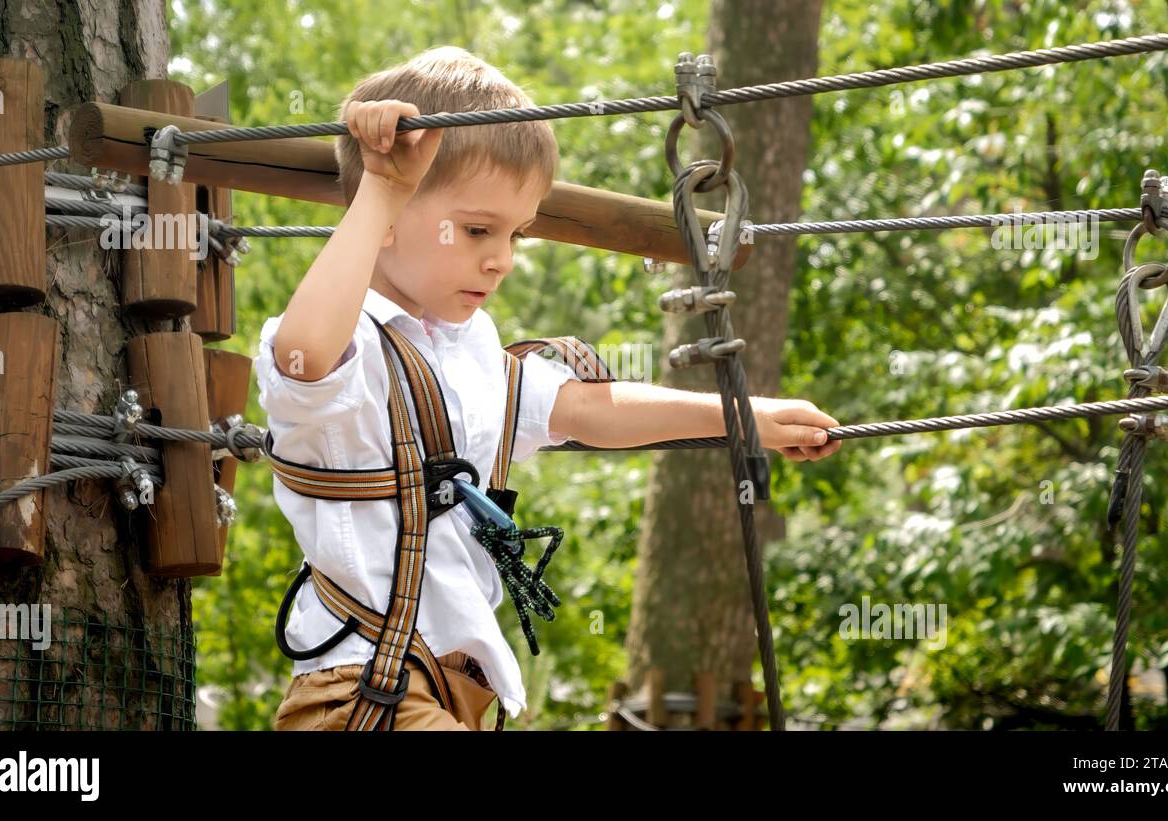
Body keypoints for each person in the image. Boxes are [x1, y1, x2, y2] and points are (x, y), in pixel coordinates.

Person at [258, 46, 841, 731]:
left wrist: (750, 417)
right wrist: (381, 187)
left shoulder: (471, 351)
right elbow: (304, 355)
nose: (500, 258)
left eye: (516, 234)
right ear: (384, 213)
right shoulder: (346, 343)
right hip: (358, 692)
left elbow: (591, 407)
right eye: (477, 230)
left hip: (450, 695)